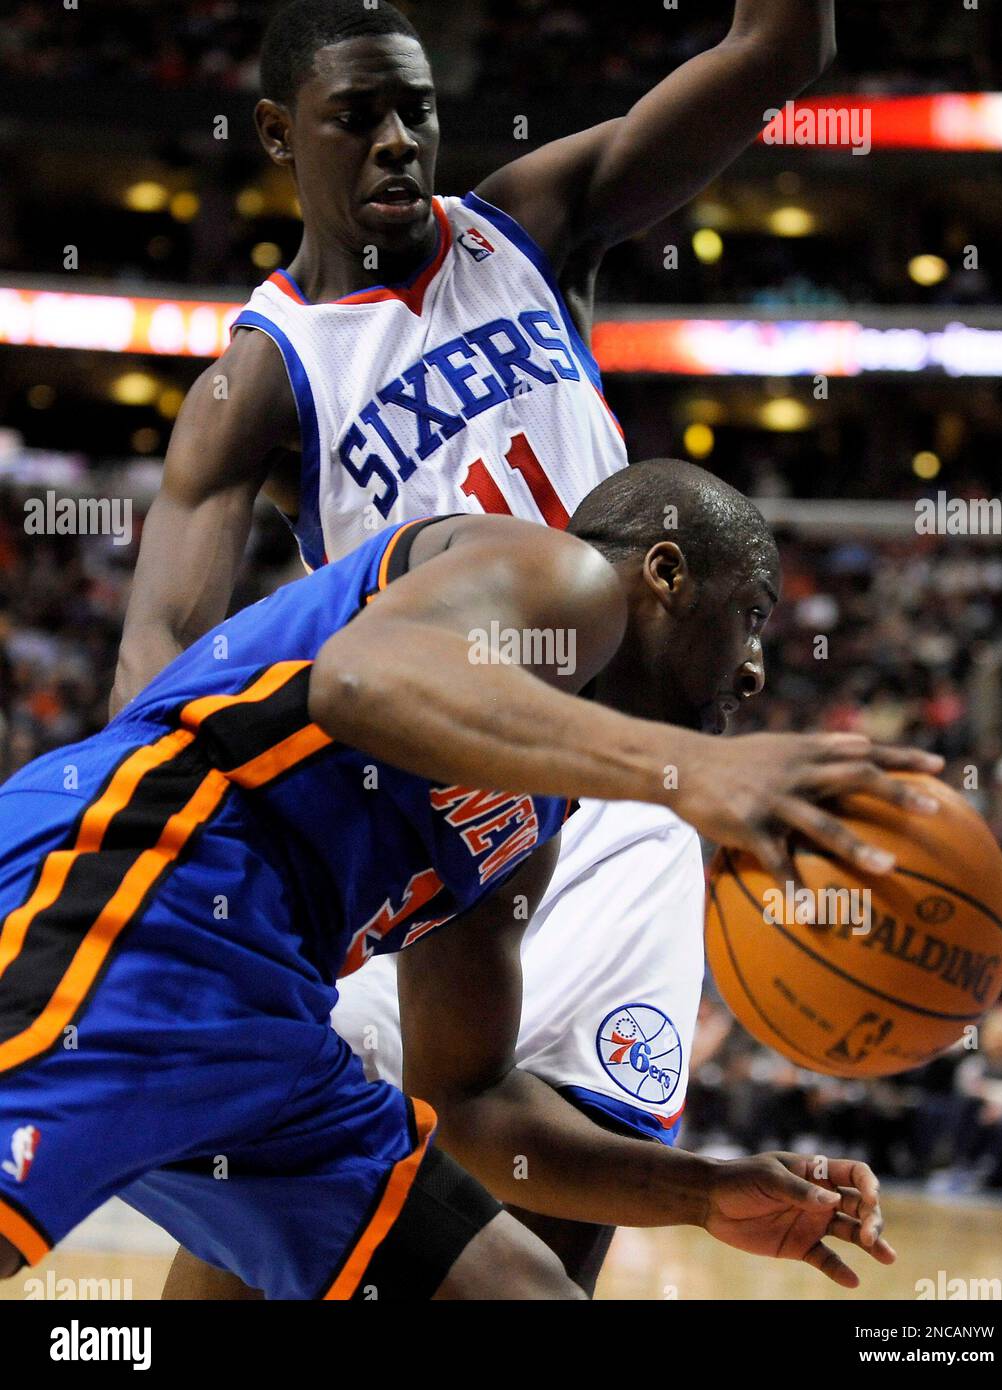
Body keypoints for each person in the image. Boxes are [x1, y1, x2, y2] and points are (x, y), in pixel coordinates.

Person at [113, 0, 839, 1288]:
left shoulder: (526, 225)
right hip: (436, 789)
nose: (400, 143)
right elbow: (160, 663)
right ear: (280, 133)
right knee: (274, 1219)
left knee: (542, 1247)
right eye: (358, 118)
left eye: (419, 113)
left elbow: (774, 56)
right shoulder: (264, 375)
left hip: (626, 775)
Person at [0, 463, 939, 1299]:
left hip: (266, 1020)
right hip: (132, 894)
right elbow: (361, 681)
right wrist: (691, 773)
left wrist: (707, 1191)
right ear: (665, 573)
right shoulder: (561, 581)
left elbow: (473, 1098)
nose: (757, 666)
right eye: (753, 614)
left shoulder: (534, 814)